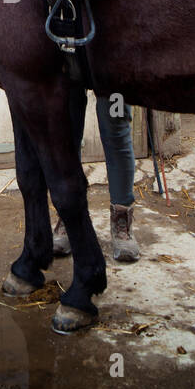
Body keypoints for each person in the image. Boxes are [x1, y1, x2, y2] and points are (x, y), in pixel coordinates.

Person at [54, 93, 142, 263]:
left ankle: (121, 220)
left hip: (111, 72)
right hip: (70, 68)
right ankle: (68, 218)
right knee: (66, 135)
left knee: (117, 131)